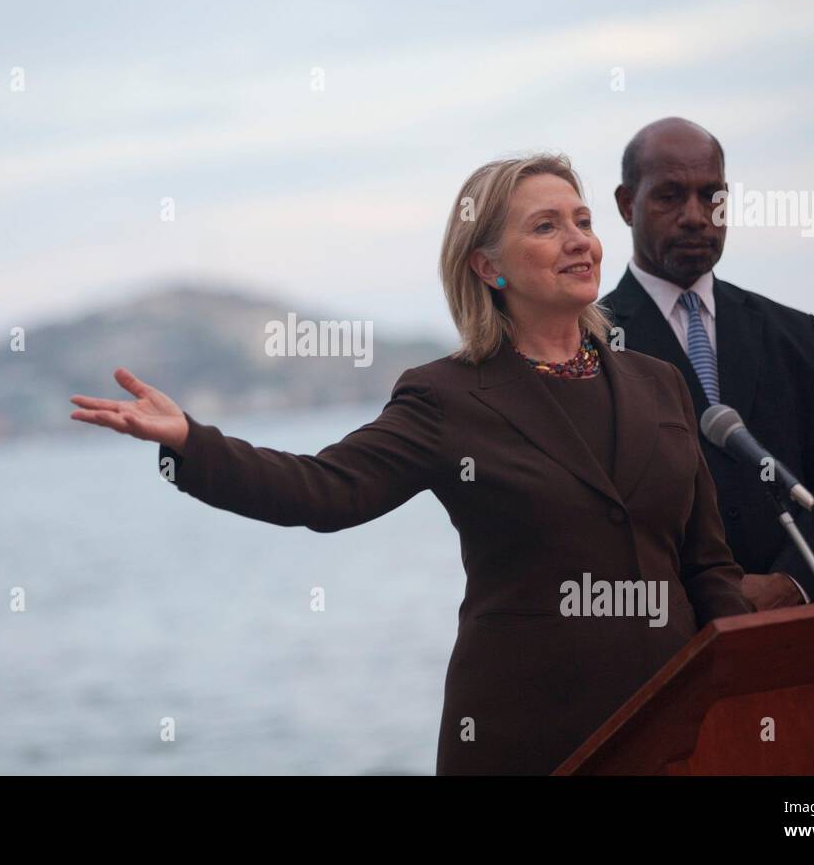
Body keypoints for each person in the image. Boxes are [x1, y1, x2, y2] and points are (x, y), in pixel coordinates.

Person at [70, 152, 755, 775]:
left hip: (679, 735)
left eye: (582, 220)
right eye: (546, 227)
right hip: (531, 740)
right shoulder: (448, 397)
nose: (580, 239)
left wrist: (744, 687)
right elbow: (325, 491)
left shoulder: (657, 382)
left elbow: (707, 564)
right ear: (489, 267)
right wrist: (193, 440)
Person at [600, 117, 814, 608]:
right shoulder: (590, 344)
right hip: (671, 645)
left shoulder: (797, 335)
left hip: (812, 633)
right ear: (627, 204)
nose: (695, 215)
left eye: (712, 195)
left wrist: (787, 585)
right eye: (670, 196)